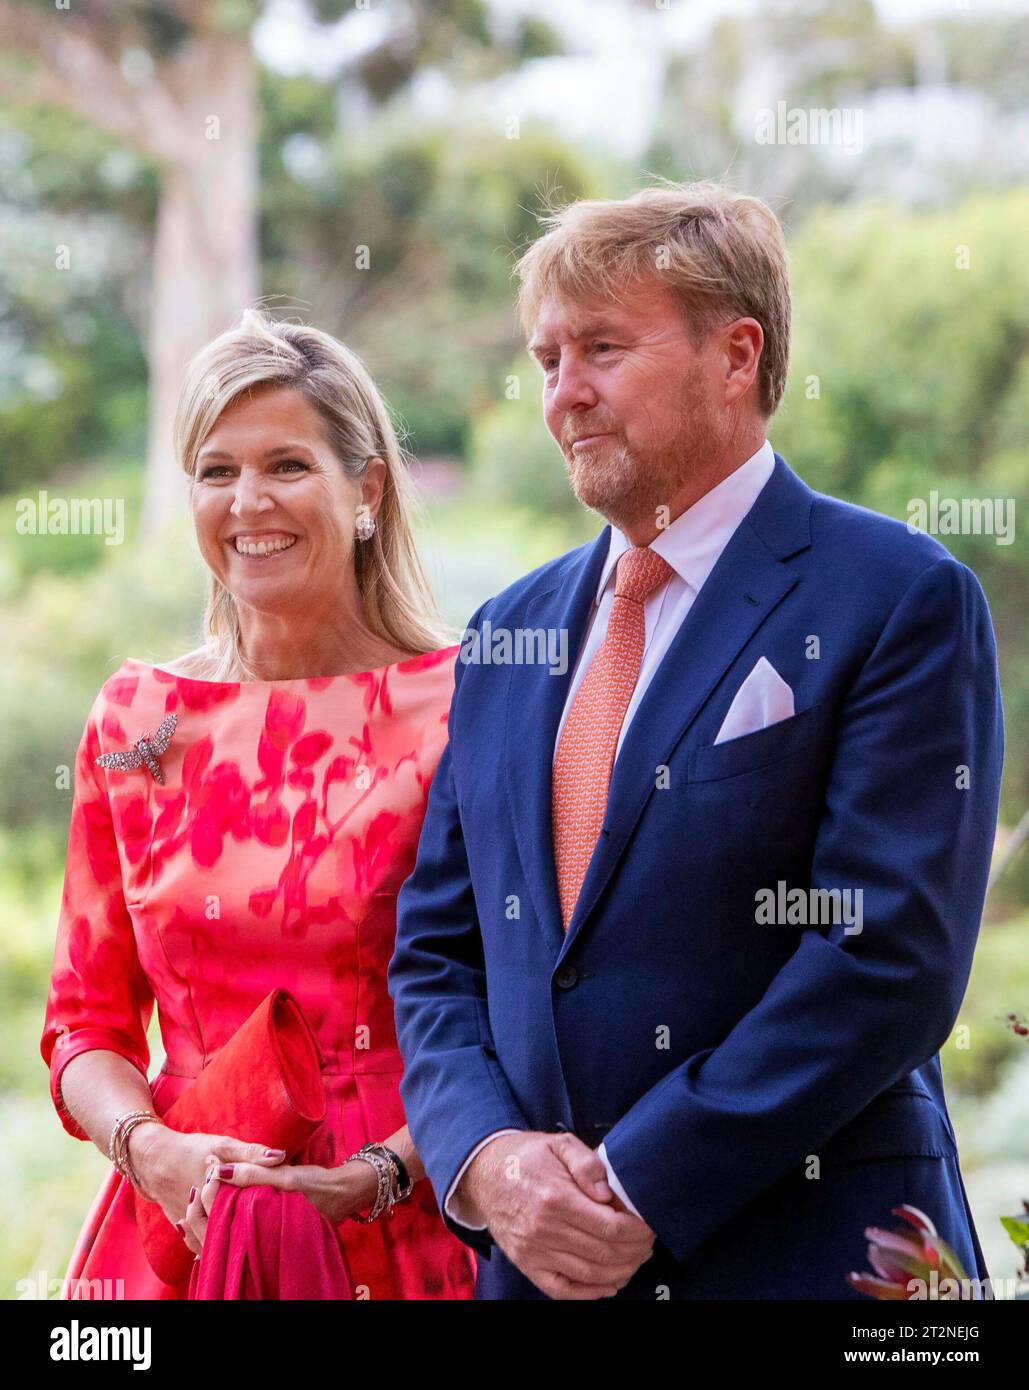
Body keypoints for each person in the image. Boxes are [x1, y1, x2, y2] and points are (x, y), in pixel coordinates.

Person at [388, 180, 1005, 1300]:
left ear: (736, 355)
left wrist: (638, 1184)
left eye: (604, 349)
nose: (564, 395)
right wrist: (490, 1160)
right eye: (546, 361)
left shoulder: (902, 596)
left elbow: (888, 956)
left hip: (820, 1259)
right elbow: (437, 949)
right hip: (538, 1274)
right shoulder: (506, 634)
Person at [40, 308, 476, 1301]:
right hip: (182, 1237)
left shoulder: (464, 705)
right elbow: (82, 1028)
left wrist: (376, 1177)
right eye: (216, 469)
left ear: (365, 489)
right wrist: (151, 1150)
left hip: (409, 1230)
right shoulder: (134, 719)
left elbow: (520, 1013)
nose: (248, 501)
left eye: (286, 464)